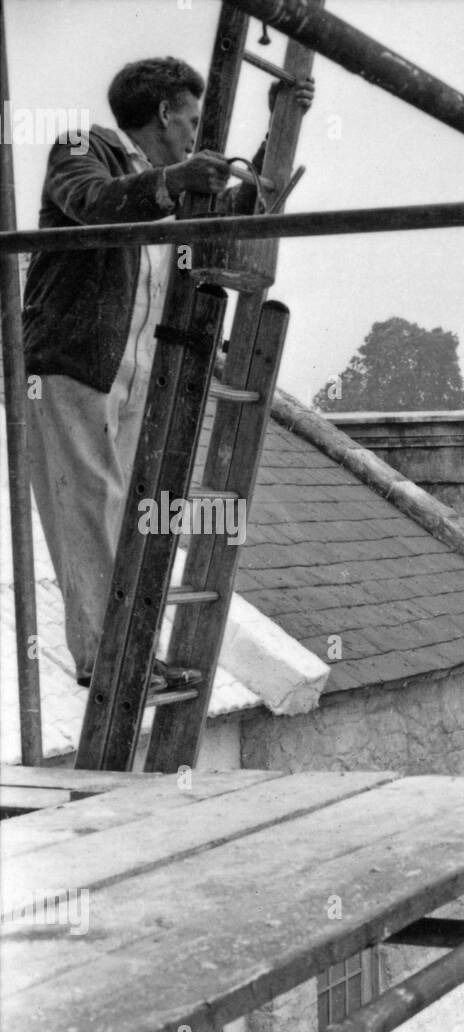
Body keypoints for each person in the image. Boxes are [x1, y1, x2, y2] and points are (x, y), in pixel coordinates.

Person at [22, 57, 312, 692]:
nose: (193, 131)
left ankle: (130, 656)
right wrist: (174, 181)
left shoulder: (168, 181)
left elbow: (234, 211)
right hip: (71, 362)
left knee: (125, 512)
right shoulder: (85, 146)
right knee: (88, 508)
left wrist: (279, 128)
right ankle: (107, 661)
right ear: (162, 113)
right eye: (190, 117)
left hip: (132, 371)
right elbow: (91, 202)